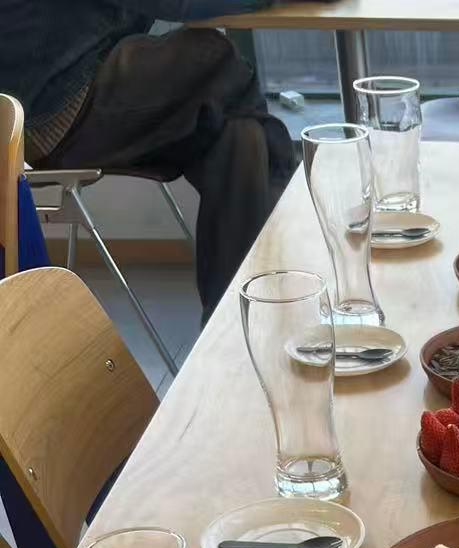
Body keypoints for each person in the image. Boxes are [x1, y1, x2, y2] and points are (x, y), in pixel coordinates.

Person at [7, 2, 306, 321]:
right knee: (214, 58)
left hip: (51, 97)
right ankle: (267, 303)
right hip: (50, 109)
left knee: (242, 136)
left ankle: (234, 323)